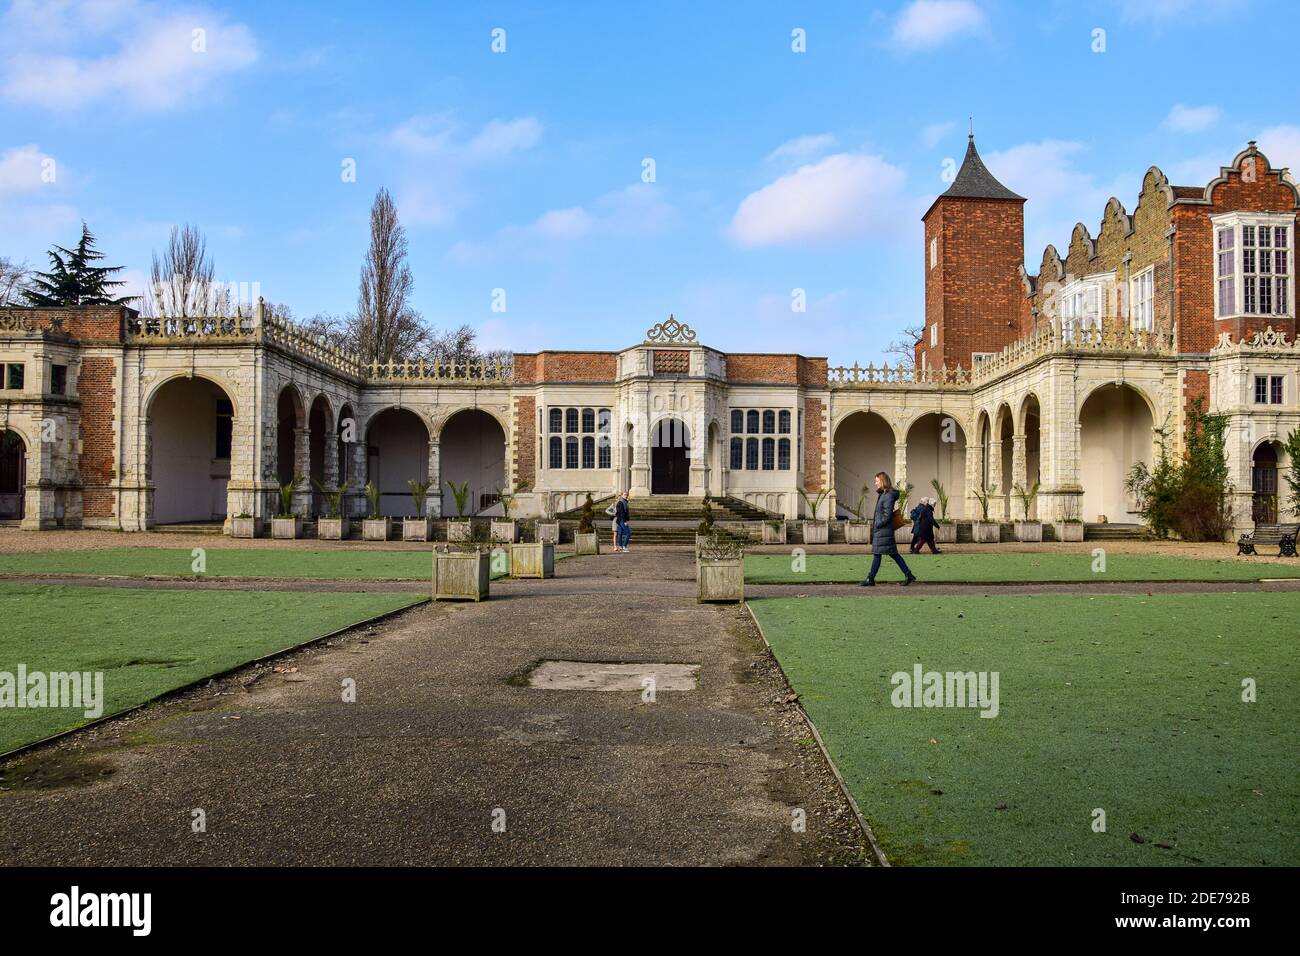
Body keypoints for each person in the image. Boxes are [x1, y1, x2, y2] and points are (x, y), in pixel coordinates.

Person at [860, 472, 916, 586]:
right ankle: (908, 575)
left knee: (878, 553)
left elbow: (887, 515)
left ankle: (870, 579)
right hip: (882, 530)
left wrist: (878, 524)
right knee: (891, 554)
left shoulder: (888, 495)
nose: (875, 483)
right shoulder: (884, 494)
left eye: (876, 481)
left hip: (883, 530)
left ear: (882, 481)